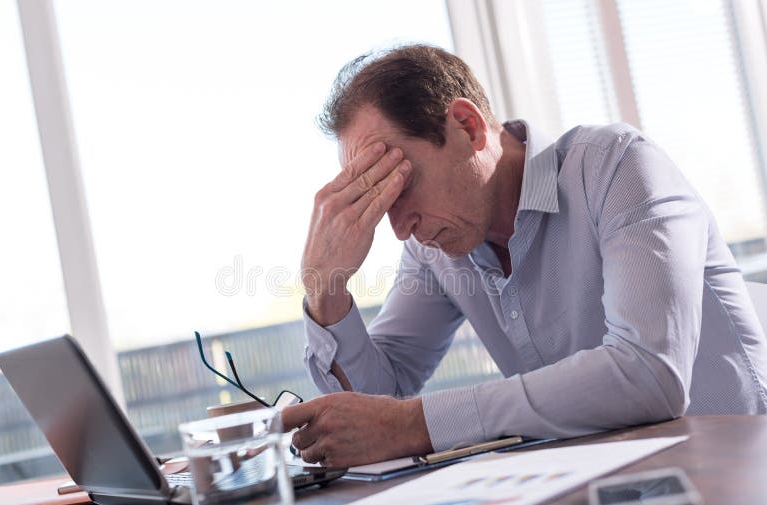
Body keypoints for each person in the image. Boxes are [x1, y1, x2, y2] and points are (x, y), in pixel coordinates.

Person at [281, 45, 767, 468]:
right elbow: (379, 408)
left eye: (400, 184)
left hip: (735, 477)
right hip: (597, 496)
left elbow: (648, 374)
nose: (399, 226)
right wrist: (326, 286)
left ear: (468, 127)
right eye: (376, 198)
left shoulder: (619, 166)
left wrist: (417, 424)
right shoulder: (437, 248)